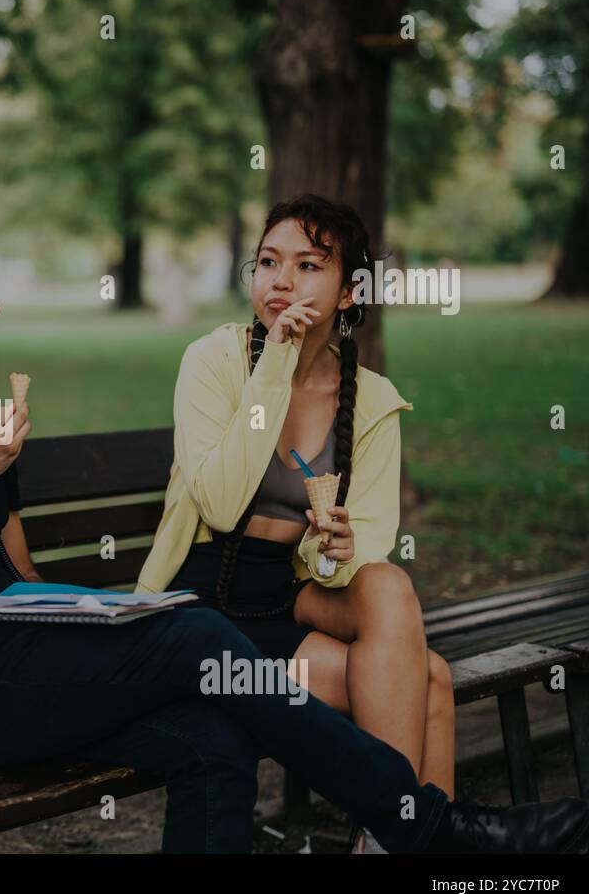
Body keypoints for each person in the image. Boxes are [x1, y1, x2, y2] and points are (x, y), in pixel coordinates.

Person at [0, 211, 589, 853]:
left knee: (212, 730)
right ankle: (430, 828)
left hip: (20, 668)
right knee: (196, 636)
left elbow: (21, 580)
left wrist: (102, 617)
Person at [137, 195, 452, 850]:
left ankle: (388, 840)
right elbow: (221, 504)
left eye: (308, 265)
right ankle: (410, 837)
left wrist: (334, 551)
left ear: (347, 291)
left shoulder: (373, 402)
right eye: (269, 262)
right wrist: (275, 362)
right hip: (203, 608)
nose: (281, 280)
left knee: (388, 585)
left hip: (293, 598)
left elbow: (353, 555)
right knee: (429, 681)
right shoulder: (212, 362)